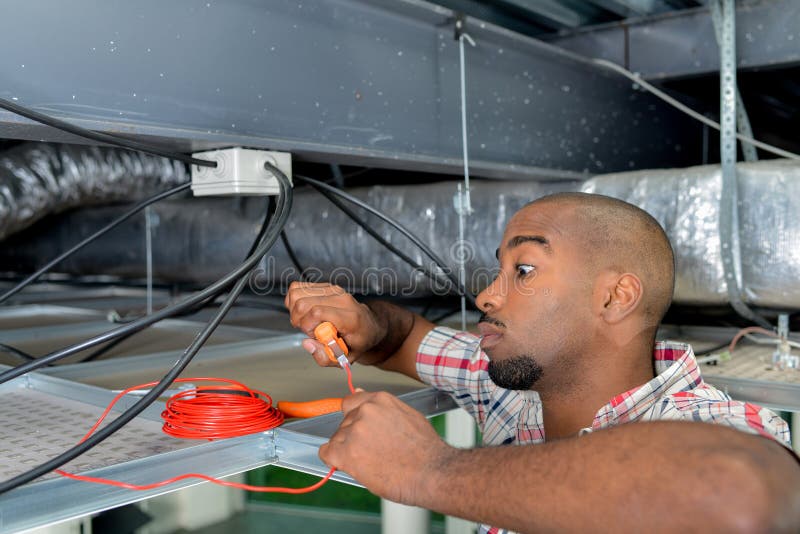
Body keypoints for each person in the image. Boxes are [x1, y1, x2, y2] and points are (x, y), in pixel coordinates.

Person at [285, 192, 800, 533]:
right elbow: (402, 338)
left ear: (615, 297)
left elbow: (737, 490)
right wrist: (366, 326)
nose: (487, 295)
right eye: (499, 269)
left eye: (524, 270)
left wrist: (430, 470)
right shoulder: (515, 392)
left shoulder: (715, 423)